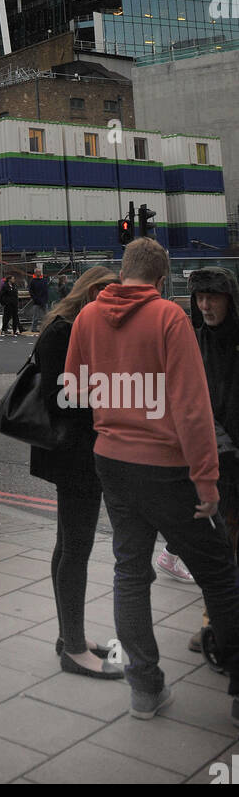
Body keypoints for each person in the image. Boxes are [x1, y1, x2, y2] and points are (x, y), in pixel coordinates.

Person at [64, 238, 239, 724]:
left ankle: (144, 689)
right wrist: (207, 480)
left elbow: (74, 388)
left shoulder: (87, 317)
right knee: (220, 573)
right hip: (167, 468)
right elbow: (191, 405)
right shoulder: (168, 318)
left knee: (130, 572)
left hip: (112, 462)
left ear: (123, 273)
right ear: (161, 281)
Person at [29, 266, 124, 678]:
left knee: (67, 543)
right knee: (76, 549)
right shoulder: (64, 331)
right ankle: (73, 649)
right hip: (74, 456)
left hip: (76, 452)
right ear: (93, 291)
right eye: (108, 296)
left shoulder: (77, 327)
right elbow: (59, 397)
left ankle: (70, 634)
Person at [186, 268, 239, 653]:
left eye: (213, 297)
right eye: (200, 297)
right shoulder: (195, 340)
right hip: (213, 458)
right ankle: (214, 623)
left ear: (229, 300)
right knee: (216, 547)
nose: (205, 305)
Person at [28, 269, 49, 334]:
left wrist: (45, 299)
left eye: (40, 272)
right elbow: (31, 292)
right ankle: (34, 328)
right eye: (38, 272)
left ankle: (45, 327)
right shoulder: (33, 281)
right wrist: (36, 299)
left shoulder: (44, 280)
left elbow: (46, 291)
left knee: (46, 315)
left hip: (43, 301)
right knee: (36, 316)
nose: (40, 273)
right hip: (36, 301)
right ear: (35, 273)